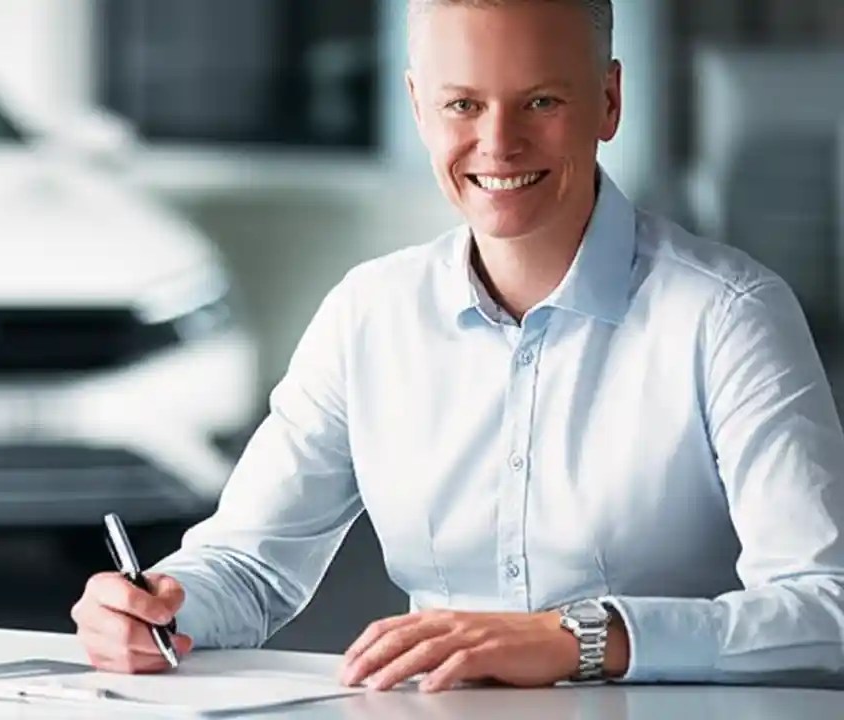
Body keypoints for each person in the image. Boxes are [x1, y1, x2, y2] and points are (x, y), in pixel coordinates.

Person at [70, 0, 844, 693]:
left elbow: (826, 606)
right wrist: (161, 606)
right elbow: (249, 566)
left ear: (607, 101)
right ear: (419, 106)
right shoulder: (369, 313)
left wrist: (578, 639)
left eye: (540, 100)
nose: (498, 143)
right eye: (463, 104)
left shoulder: (730, 316)